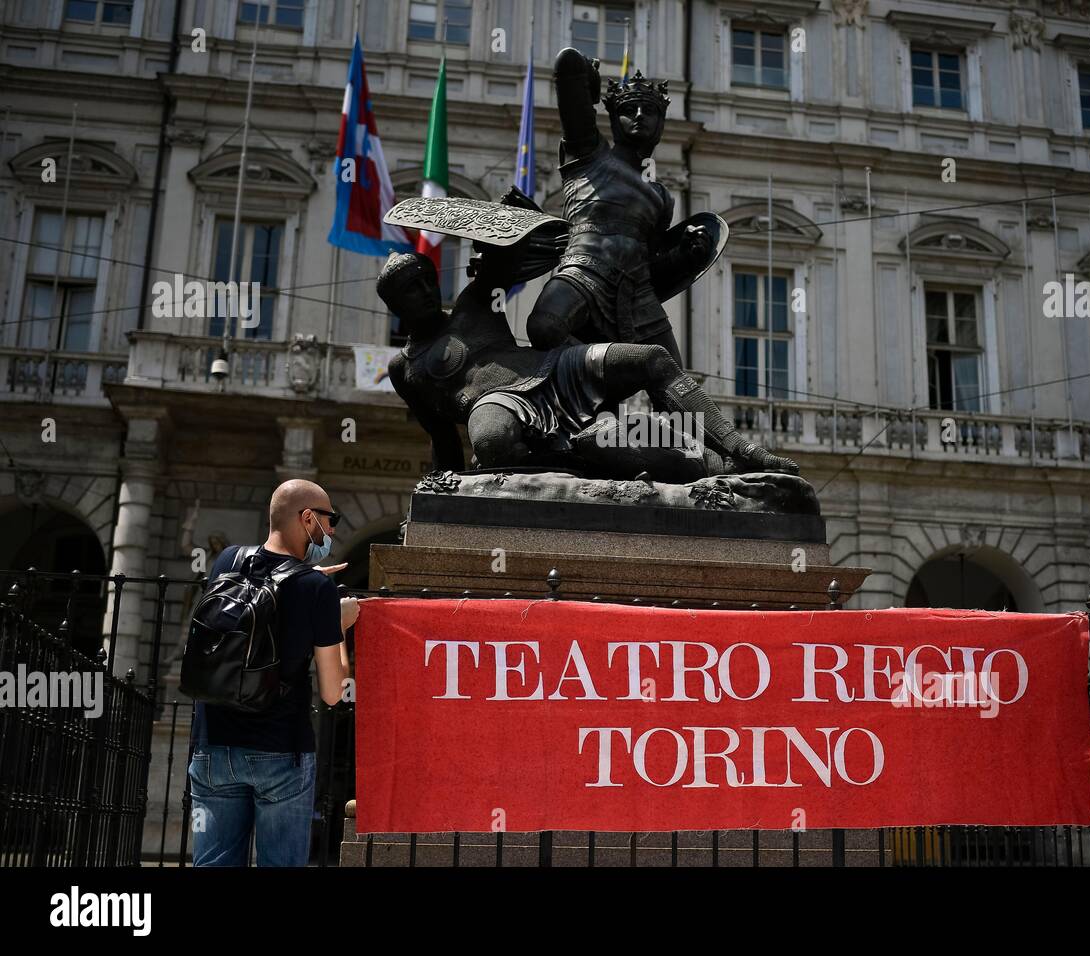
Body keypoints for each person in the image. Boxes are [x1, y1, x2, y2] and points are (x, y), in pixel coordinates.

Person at [380, 249, 798, 477]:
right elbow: (444, 440)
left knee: (651, 359)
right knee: (491, 443)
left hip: (553, 368)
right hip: (495, 403)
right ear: (394, 304)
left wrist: (515, 221)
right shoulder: (406, 369)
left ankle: (741, 450)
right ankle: (575, 456)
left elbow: (523, 254)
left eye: (426, 280)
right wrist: (440, 490)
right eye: (410, 289)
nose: (424, 290)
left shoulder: (473, 302)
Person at [187, 479, 359, 866]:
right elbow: (334, 692)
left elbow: (263, 594)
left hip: (213, 742)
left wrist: (311, 581)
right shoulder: (316, 590)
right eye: (331, 520)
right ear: (308, 518)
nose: (332, 530)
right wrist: (336, 623)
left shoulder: (227, 561)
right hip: (280, 750)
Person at [525, 48, 711, 365]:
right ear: (612, 118)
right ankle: (589, 371)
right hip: (583, 273)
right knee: (544, 327)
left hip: (636, 294)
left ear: (661, 123)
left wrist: (685, 255)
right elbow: (566, 64)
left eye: (648, 111)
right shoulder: (589, 153)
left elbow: (651, 267)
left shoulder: (662, 196)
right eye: (629, 109)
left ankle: (602, 372)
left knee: (672, 376)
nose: (639, 115)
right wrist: (590, 80)